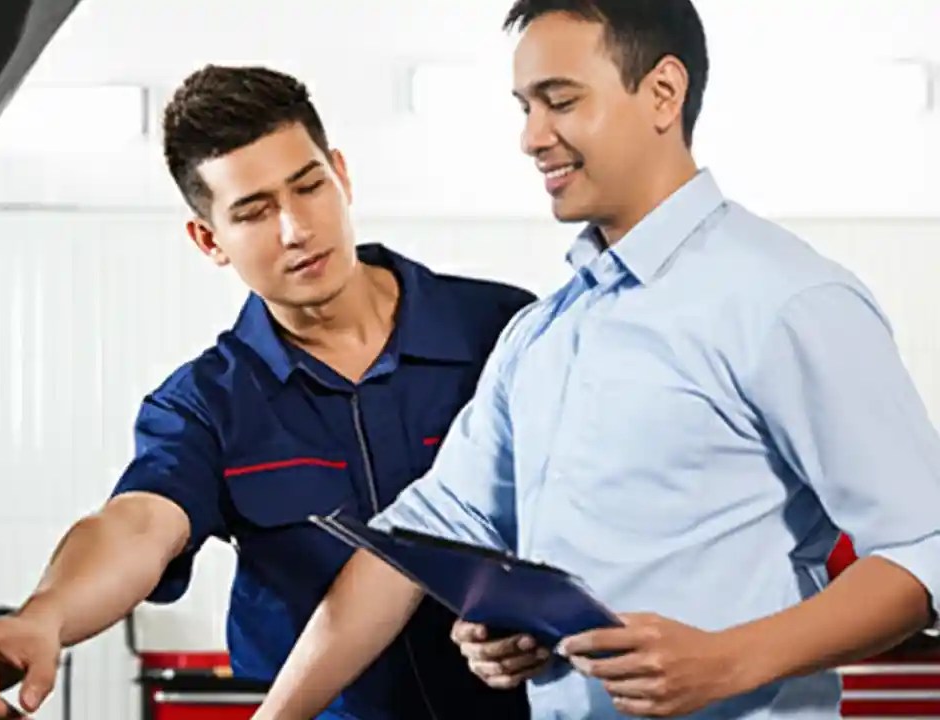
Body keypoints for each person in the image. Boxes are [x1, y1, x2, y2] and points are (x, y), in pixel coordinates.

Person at [252, 1, 940, 719]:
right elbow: (424, 534)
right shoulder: (540, 335)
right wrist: (507, 629)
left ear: (663, 94)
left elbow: (924, 550)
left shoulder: (787, 299)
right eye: (524, 107)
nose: (530, 137)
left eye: (561, 101)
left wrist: (726, 659)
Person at [0, 64, 537, 720]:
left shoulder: (502, 332)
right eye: (253, 212)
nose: (295, 229)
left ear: (341, 175)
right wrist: (46, 614)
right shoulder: (207, 405)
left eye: (309, 187)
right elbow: (138, 524)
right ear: (209, 239)